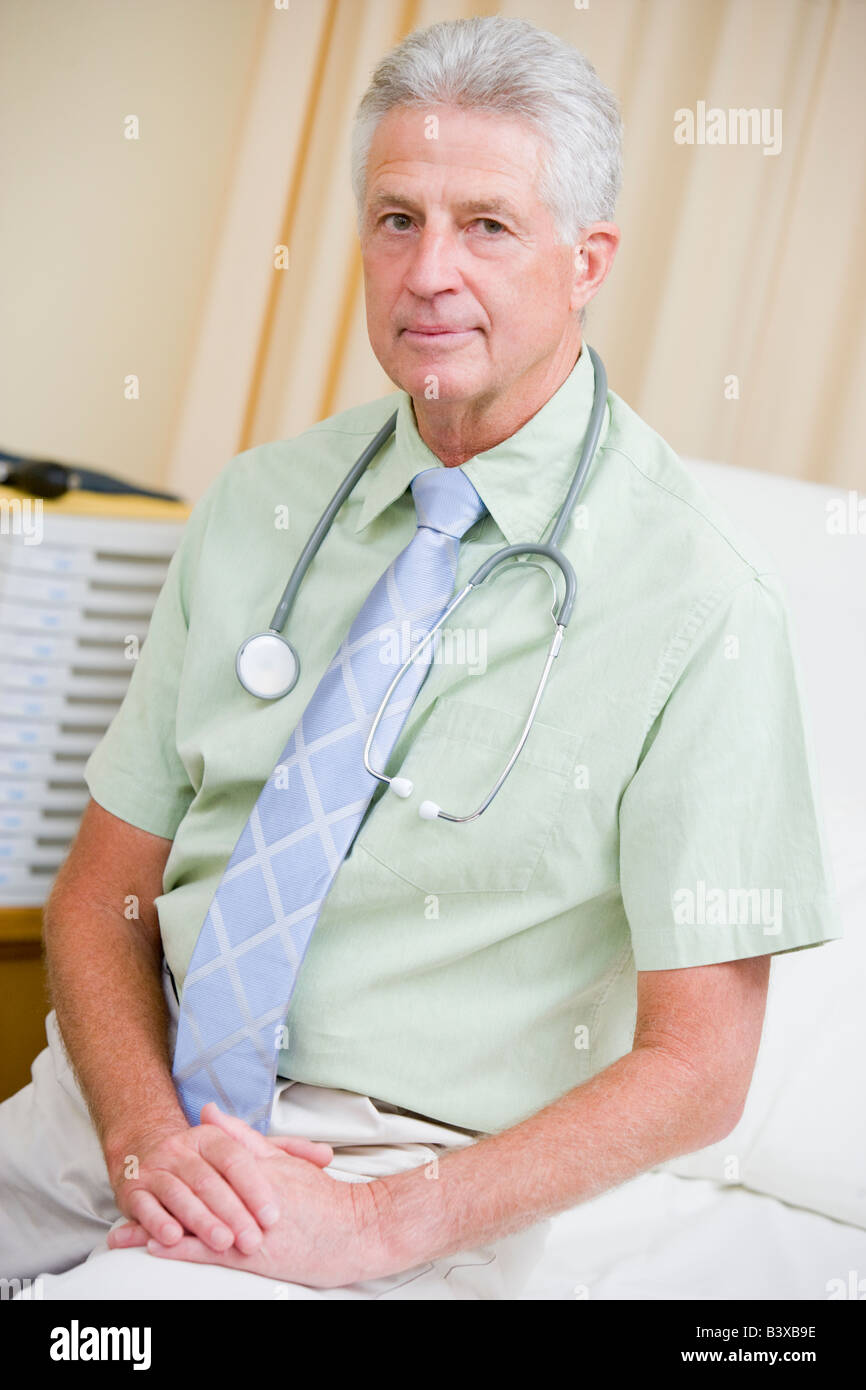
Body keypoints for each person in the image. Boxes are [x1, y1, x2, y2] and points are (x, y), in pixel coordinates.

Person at [0, 15, 842, 1301]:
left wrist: (380, 1225)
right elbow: (101, 891)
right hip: (110, 1115)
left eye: (486, 226)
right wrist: (142, 1135)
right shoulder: (258, 506)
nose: (427, 272)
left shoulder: (701, 602)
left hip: (390, 1164)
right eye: (396, 219)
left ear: (584, 258)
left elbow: (699, 1070)